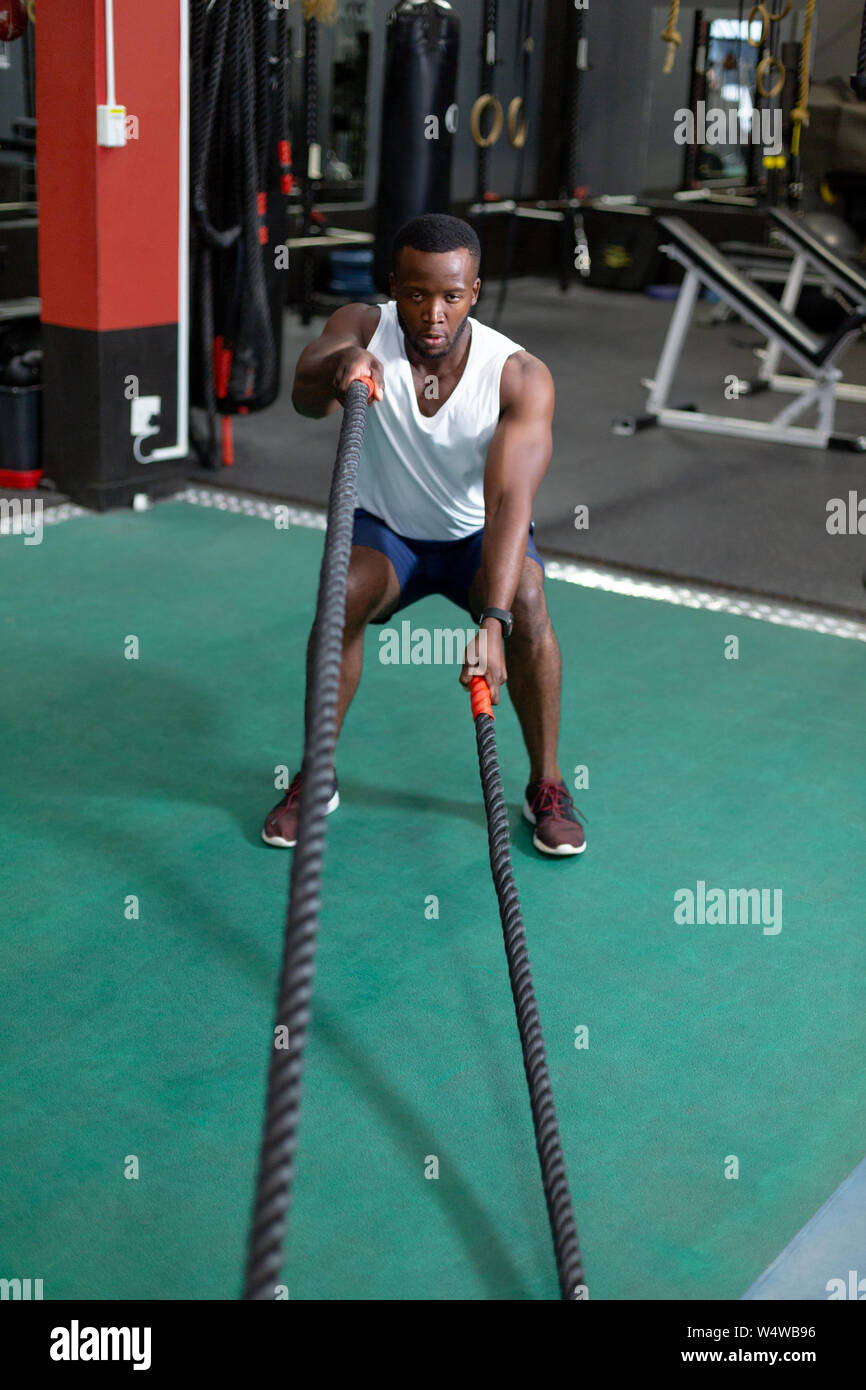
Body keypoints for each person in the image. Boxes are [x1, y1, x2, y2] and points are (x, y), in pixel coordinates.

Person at [262, 213, 585, 856]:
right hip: (389, 536)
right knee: (340, 596)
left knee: (524, 599)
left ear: (475, 291)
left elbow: (508, 501)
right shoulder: (364, 328)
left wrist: (490, 625)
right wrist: (340, 365)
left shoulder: (518, 375)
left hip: (474, 537)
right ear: (394, 287)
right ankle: (317, 773)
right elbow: (305, 396)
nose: (433, 313)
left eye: (451, 296)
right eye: (416, 295)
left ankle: (547, 784)